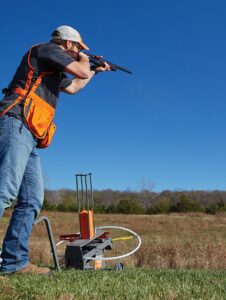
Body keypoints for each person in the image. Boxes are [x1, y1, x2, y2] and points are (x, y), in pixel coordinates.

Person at [0, 25, 110, 275]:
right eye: (79, 48)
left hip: (29, 131)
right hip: (16, 121)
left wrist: (95, 70)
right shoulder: (47, 50)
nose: (80, 52)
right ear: (69, 44)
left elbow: (73, 87)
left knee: (31, 200)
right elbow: (80, 68)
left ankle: (14, 263)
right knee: (5, 192)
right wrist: (86, 62)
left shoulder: (55, 67)